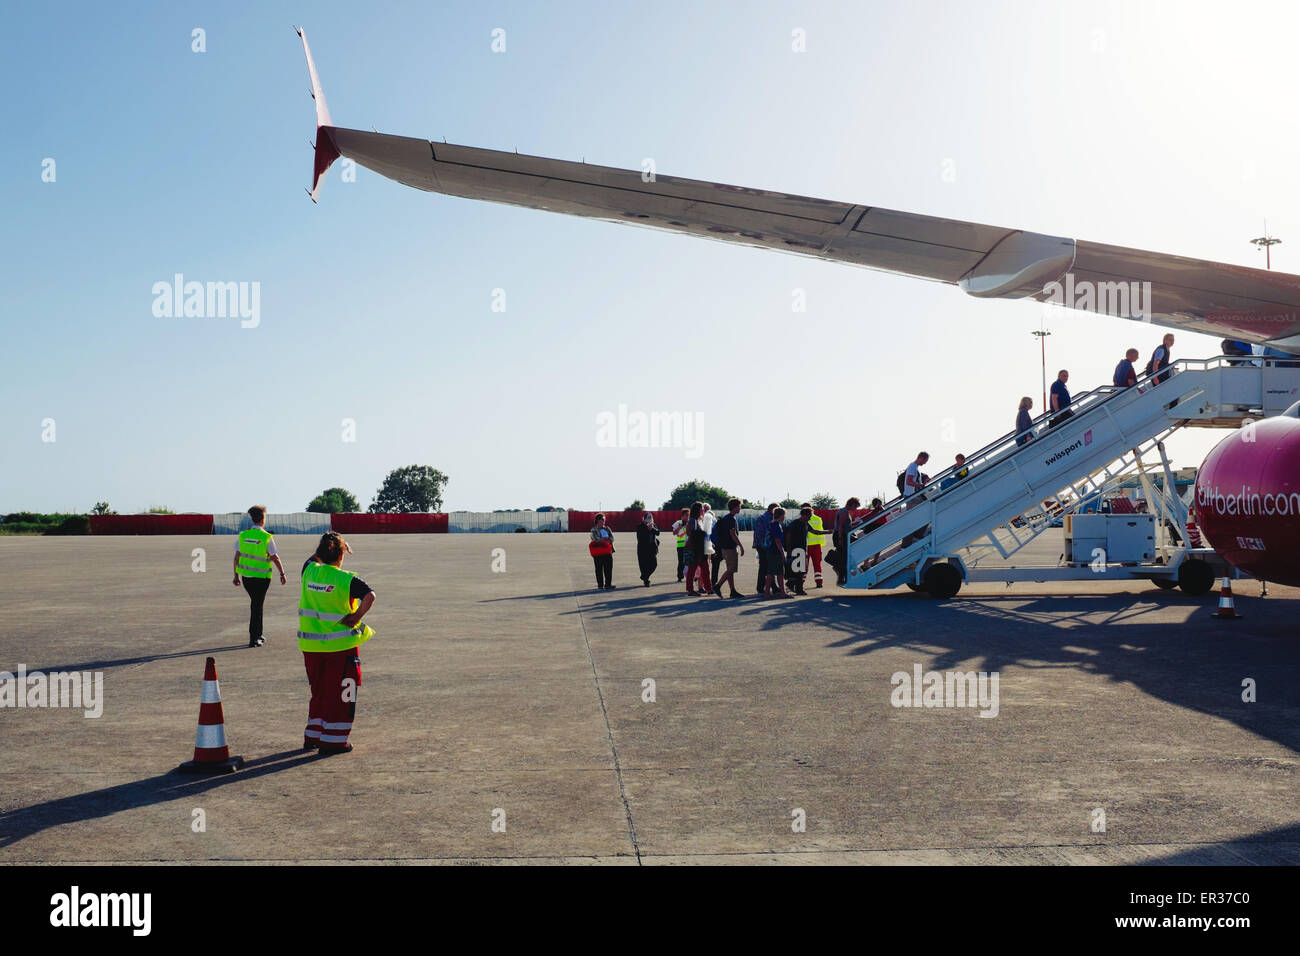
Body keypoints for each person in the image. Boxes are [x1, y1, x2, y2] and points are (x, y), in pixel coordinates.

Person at [298, 531, 375, 754]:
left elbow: (312, 559)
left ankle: (313, 735)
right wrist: (356, 617)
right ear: (341, 555)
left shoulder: (309, 571)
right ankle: (334, 740)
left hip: (311, 647)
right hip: (341, 647)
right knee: (343, 693)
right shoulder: (346, 579)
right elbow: (370, 596)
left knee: (319, 691)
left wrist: (330, 544)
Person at [232, 505, 288, 649]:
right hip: (262, 578)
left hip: (246, 577)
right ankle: (254, 637)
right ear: (262, 519)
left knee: (257, 604)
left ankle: (259, 633)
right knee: (256, 605)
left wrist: (236, 575)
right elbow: (275, 557)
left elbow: (236, 557)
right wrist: (282, 573)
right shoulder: (266, 537)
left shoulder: (243, 535)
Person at [711, 498, 745, 599]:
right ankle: (717, 586)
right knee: (731, 569)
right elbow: (733, 534)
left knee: (730, 569)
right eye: (739, 506)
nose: (740, 508)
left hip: (724, 547)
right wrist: (741, 546)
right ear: (734, 507)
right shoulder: (731, 519)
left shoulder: (726, 518)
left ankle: (732, 590)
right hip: (730, 547)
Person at [784, 506, 815, 595]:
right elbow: (788, 536)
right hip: (795, 550)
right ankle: (797, 588)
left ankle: (795, 586)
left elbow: (814, 531)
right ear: (804, 515)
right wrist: (789, 550)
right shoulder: (795, 523)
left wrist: (827, 532)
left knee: (801, 570)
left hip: (802, 549)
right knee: (797, 570)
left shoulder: (806, 523)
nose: (810, 517)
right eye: (809, 515)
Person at [685, 501, 712, 595]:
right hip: (694, 548)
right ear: (698, 510)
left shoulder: (699, 520)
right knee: (692, 570)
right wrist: (700, 534)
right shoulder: (692, 520)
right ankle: (690, 590)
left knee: (705, 569)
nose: (703, 510)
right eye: (702, 509)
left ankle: (709, 588)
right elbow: (688, 533)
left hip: (700, 548)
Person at [763, 506, 789, 597]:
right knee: (778, 573)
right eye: (784, 515)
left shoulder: (771, 524)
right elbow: (778, 541)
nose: (784, 517)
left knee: (773, 573)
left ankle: (768, 592)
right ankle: (781, 593)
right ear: (780, 515)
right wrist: (783, 554)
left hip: (770, 551)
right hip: (775, 552)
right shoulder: (776, 526)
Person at [753, 502, 778, 594]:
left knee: (765, 567)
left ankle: (768, 587)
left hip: (761, 545)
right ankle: (764, 587)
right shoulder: (767, 518)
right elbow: (761, 533)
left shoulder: (762, 517)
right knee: (766, 567)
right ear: (772, 510)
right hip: (765, 546)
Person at [803, 503, 827, 588]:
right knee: (817, 565)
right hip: (817, 545)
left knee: (804, 565)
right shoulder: (818, 519)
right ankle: (819, 582)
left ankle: (801, 582)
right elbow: (820, 531)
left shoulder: (804, 519)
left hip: (806, 545)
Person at [589, 513, 615, 589]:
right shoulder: (593, 530)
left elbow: (612, 538)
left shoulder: (607, 528)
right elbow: (595, 539)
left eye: (604, 519)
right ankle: (600, 585)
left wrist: (605, 540)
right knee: (599, 569)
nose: (603, 521)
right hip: (598, 552)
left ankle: (608, 584)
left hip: (607, 551)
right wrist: (603, 540)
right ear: (597, 520)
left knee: (608, 568)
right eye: (602, 519)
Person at [634, 511, 660, 587]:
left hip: (652, 549)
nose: (650, 519)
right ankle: (646, 580)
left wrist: (652, 528)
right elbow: (640, 538)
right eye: (648, 517)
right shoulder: (639, 526)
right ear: (644, 519)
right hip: (643, 550)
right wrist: (647, 528)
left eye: (651, 517)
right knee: (644, 566)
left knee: (654, 565)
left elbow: (658, 533)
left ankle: (644, 576)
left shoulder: (653, 525)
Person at [700, 503, 723, 585]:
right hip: (704, 546)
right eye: (704, 509)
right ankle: (704, 583)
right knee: (704, 566)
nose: (705, 511)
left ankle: (712, 582)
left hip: (713, 545)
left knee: (713, 564)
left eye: (707, 509)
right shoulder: (700, 520)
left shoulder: (714, 521)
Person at [671, 508, 689, 581]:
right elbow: (674, 533)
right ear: (682, 516)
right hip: (681, 546)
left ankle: (690, 576)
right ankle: (680, 576)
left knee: (689, 562)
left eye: (689, 515)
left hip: (689, 545)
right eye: (686, 515)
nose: (688, 516)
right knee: (681, 562)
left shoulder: (691, 522)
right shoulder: (678, 523)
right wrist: (680, 526)